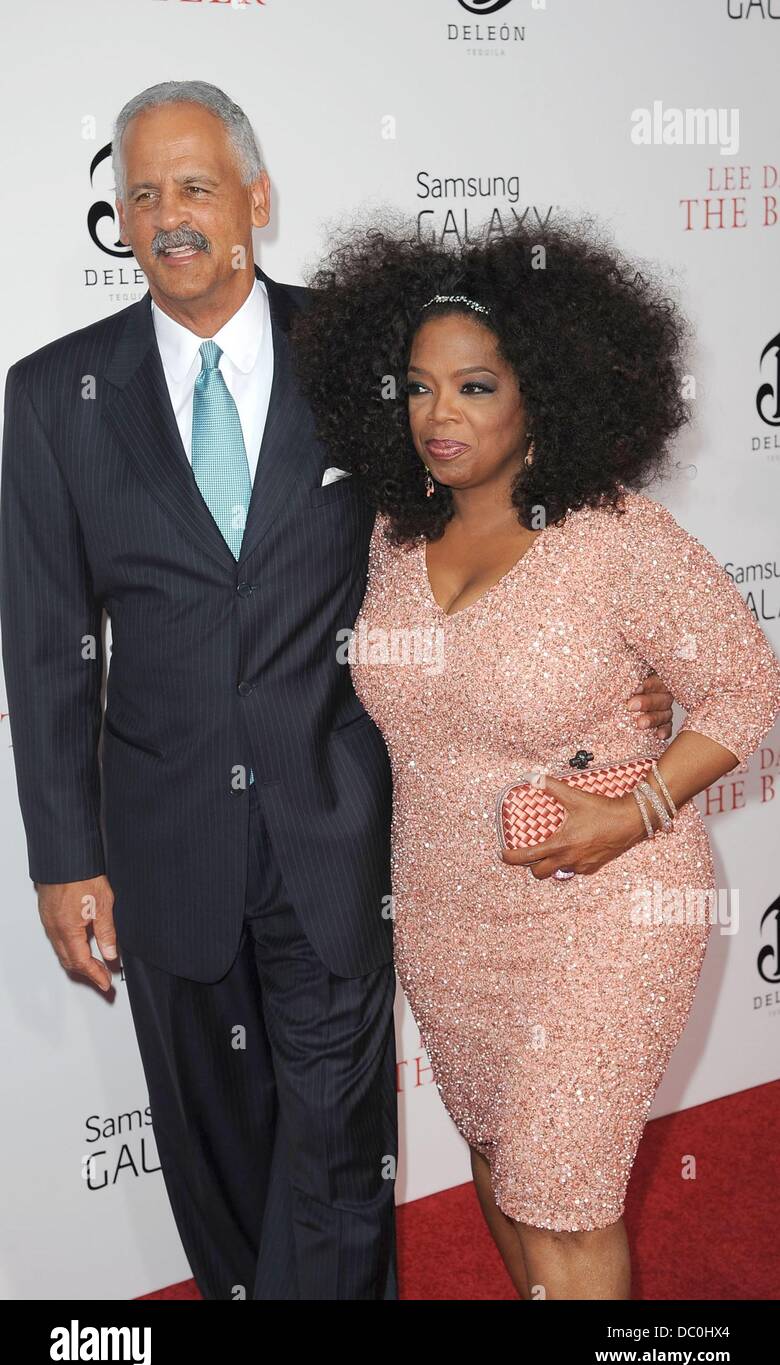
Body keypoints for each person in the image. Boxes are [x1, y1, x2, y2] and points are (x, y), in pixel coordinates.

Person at [0, 83, 671, 1302]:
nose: (169, 216)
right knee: (216, 1164)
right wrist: (62, 855)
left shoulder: (371, 363)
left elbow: (501, 519)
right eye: (141, 193)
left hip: (339, 832)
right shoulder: (53, 398)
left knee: (336, 1168)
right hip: (163, 847)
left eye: (196, 186)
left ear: (257, 198)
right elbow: (45, 644)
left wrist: (599, 706)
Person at [288, 216, 780, 1300]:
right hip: (445, 913)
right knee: (506, 1171)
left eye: (474, 386)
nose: (439, 417)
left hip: (606, 904)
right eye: (417, 388)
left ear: (542, 389)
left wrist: (638, 805)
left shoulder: (614, 536)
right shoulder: (393, 535)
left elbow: (752, 685)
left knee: (562, 1192)